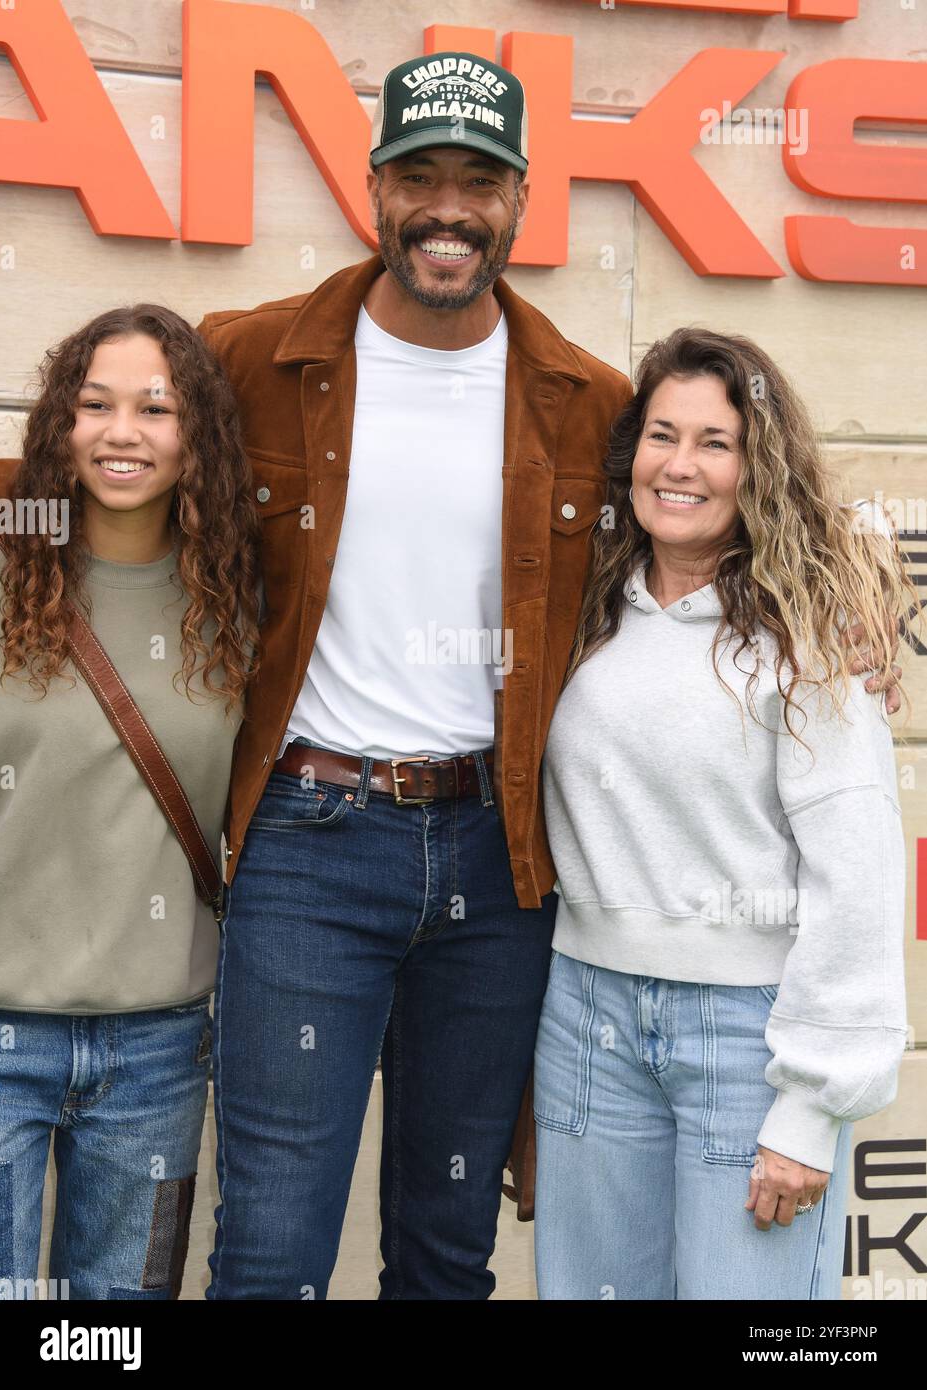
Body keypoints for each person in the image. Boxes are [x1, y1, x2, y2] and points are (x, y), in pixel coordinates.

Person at [195, 50, 901, 1301]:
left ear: (522, 200)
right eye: (422, 175)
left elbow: (728, 492)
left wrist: (850, 568)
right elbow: (100, 468)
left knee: (447, 1242)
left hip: (497, 856)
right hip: (309, 839)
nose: (448, 208)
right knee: (272, 1246)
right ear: (373, 187)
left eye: (480, 179)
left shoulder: (586, 400)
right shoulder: (250, 360)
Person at [533, 327, 918, 1300]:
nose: (680, 465)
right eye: (662, 435)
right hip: (587, 1019)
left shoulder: (809, 642)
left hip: (746, 1038)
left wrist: (810, 1108)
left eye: (715, 441)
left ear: (758, 468)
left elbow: (858, 876)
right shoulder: (587, 612)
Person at [0, 306, 259, 1300]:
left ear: (196, 435)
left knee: (119, 1327)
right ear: (61, 424)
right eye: (95, 404)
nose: (122, 431)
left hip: (157, 1046)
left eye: (156, 406)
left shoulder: (238, 605)